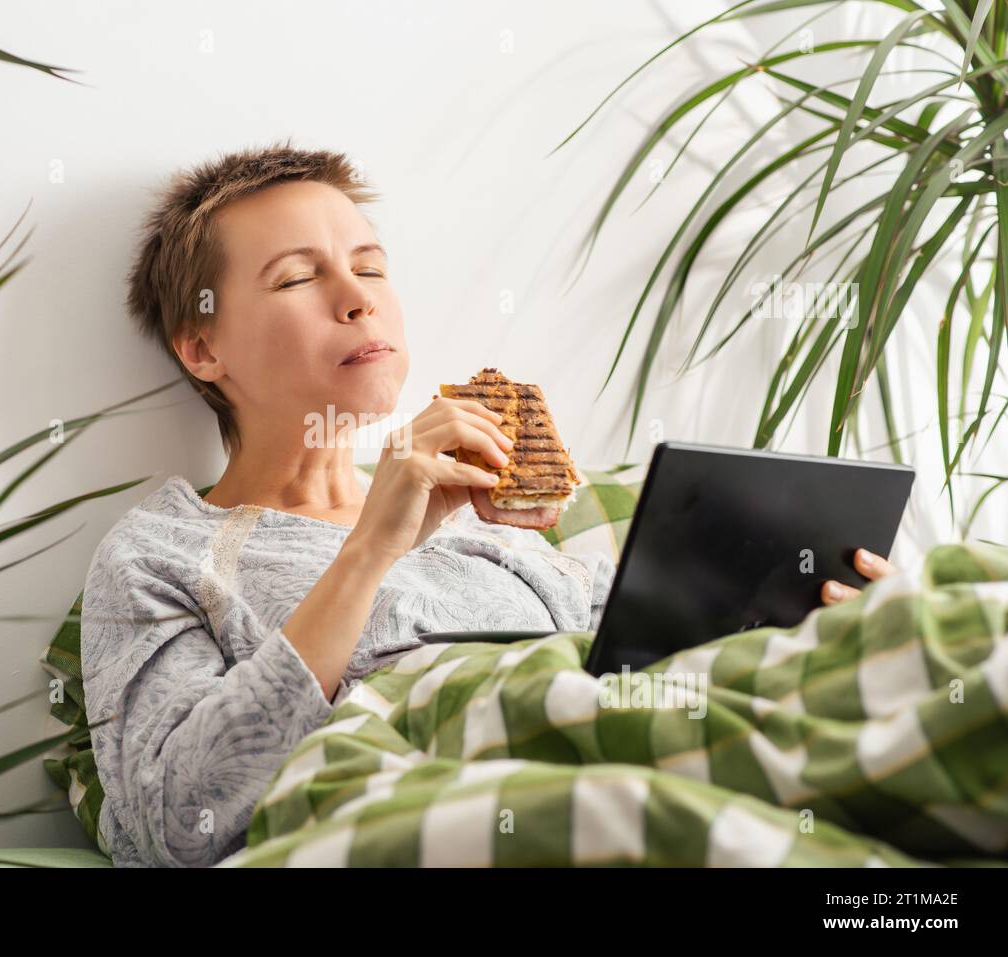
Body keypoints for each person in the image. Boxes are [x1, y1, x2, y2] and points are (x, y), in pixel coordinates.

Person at [79, 140, 895, 868]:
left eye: (369, 266)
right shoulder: (164, 553)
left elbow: (652, 673)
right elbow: (174, 825)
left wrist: (822, 620)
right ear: (203, 345)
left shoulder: (498, 536)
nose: (356, 298)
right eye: (296, 277)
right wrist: (369, 550)